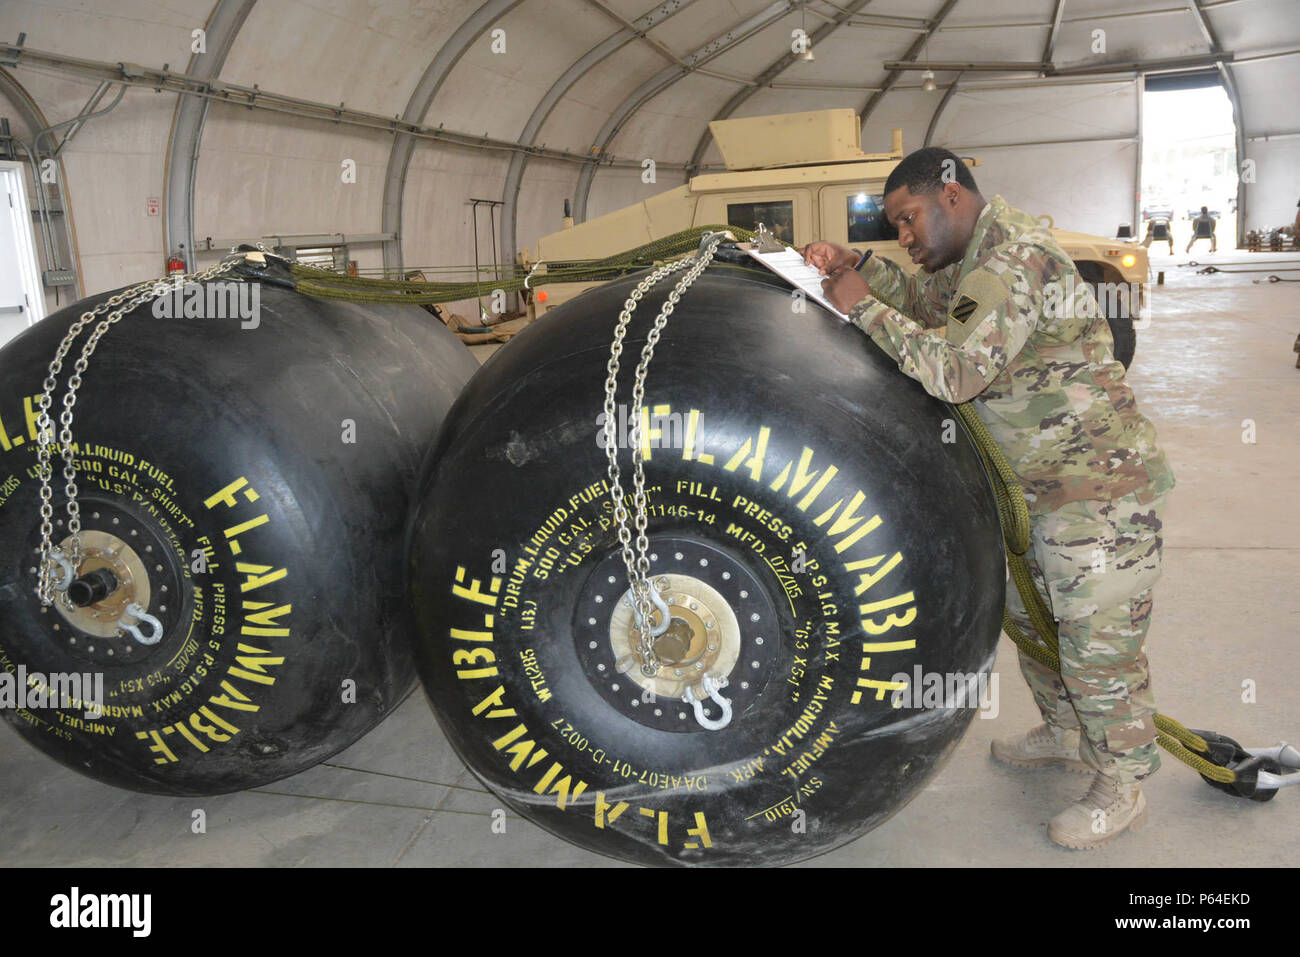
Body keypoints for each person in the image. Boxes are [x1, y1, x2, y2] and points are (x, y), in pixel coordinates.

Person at [802, 147, 1175, 849]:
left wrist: (859, 312)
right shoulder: (972, 262)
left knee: (1095, 639)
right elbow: (925, 304)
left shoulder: (1012, 260)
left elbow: (956, 369)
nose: (904, 236)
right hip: (1036, 487)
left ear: (949, 193)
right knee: (1037, 622)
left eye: (906, 220)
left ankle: (1123, 784)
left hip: (1094, 489)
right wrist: (860, 269)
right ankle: (1067, 734)